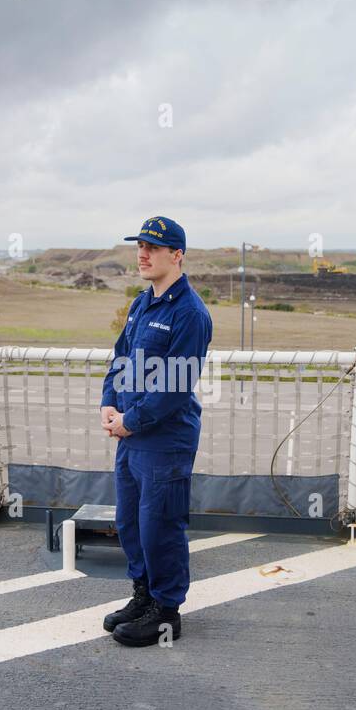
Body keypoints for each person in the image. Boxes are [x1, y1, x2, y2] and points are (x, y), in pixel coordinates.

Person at [100, 216, 213, 647]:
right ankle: (143, 596)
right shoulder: (142, 303)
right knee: (130, 522)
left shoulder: (190, 313)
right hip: (131, 436)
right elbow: (121, 357)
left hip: (164, 440)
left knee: (160, 525)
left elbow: (174, 387)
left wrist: (130, 421)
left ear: (177, 255)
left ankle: (166, 613)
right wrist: (109, 401)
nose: (142, 254)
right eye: (140, 246)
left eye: (152, 247)